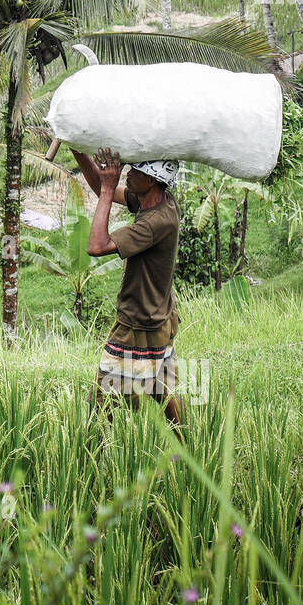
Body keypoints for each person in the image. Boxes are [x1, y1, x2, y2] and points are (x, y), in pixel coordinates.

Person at [72, 147, 184, 425]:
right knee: (164, 387)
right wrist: (77, 149)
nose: (129, 173)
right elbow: (100, 186)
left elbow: (96, 246)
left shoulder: (154, 223)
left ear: (152, 180)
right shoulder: (158, 200)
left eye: (136, 170)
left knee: (102, 396)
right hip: (159, 318)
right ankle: (183, 452)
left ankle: (93, 457)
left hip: (138, 324)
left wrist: (110, 188)